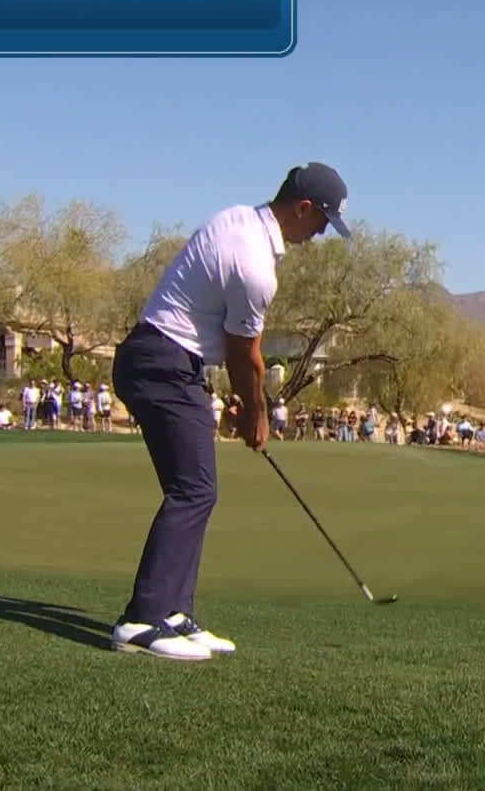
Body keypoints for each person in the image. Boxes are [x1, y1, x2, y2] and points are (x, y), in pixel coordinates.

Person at [109, 162, 352, 661]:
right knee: (193, 490)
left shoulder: (238, 219)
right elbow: (246, 356)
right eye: (322, 221)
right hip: (161, 363)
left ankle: (173, 612)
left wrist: (240, 399)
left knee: (196, 489)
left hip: (167, 361)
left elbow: (223, 340)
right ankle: (141, 620)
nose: (321, 233)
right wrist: (257, 414)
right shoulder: (255, 265)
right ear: (303, 208)